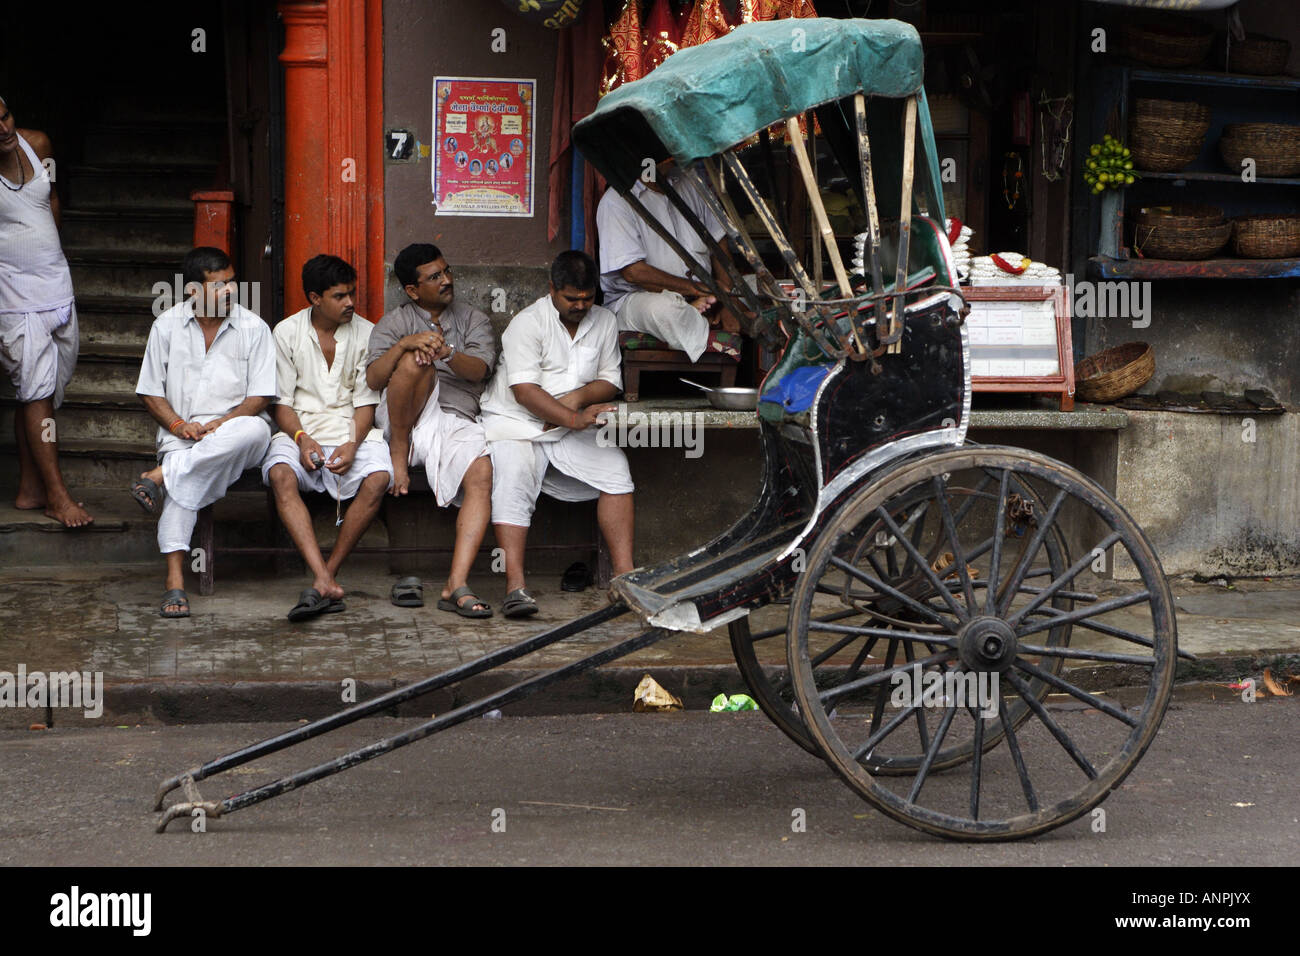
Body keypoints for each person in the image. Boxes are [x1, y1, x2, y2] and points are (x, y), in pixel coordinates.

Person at [479, 250, 635, 618]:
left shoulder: (605, 321)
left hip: (569, 419)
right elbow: (524, 392)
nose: (581, 305)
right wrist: (571, 417)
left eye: (587, 297)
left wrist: (575, 401)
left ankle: (626, 578)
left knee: (617, 471)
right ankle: (515, 586)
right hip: (515, 422)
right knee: (514, 479)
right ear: (552, 289)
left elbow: (610, 380)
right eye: (571, 298)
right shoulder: (527, 323)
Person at [131, 247, 276, 618]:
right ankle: (175, 582)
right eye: (219, 286)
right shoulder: (165, 326)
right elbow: (150, 391)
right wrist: (180, 425)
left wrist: (222, 423)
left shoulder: (253, 327)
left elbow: (260, 395)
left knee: (254, 431)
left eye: (232, 283)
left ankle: (159, 476)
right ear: (194, 291)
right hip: (183, 434)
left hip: (236, 430)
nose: (229, 291)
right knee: (187, 474)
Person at [365, 243, 495, 617]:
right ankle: (399, 452)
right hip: (403, 419)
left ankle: (456, 584)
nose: (447, 280)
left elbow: (480, 371)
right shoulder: (393, 323)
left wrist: (447, 353)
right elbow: (374, 380)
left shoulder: (474, 319)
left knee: (482, 471)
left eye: (447, 271)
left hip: (454, 416)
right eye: (434, 276)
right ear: (411, 289)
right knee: (412, 361)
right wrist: (407, 344)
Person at [262, 255, 393, 622]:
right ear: (315, 298)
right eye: (340, 296)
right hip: (299, 429)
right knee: (280, 476)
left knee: (379, 477)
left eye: (352, 294)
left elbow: (367, 402)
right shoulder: (286, 332)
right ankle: (323, 576)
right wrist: (302, 439)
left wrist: (352, 443)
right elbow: (281, 403)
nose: (350, 302)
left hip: (352, 429)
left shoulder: (369, 333)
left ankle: (326, 574)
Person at [0, 94, 93, 528]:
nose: (3, 129)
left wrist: (53, 249)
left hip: (56, 282)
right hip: (12, 294)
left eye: (5, 116)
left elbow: (51, 196)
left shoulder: (37, 144)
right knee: (36, 388)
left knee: (44, 387)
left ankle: (29, 488)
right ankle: (57, 495)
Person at [596, 159, 741, 362]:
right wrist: (700, 289)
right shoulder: (616, 201)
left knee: (756, 291)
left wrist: (728, 299)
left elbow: (719, 245)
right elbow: (634, 272)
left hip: (706, 292)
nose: (671, 158)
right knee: (666, 310)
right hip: (639, 299)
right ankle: (702, 315)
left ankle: (703, 312)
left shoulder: (691, 185)